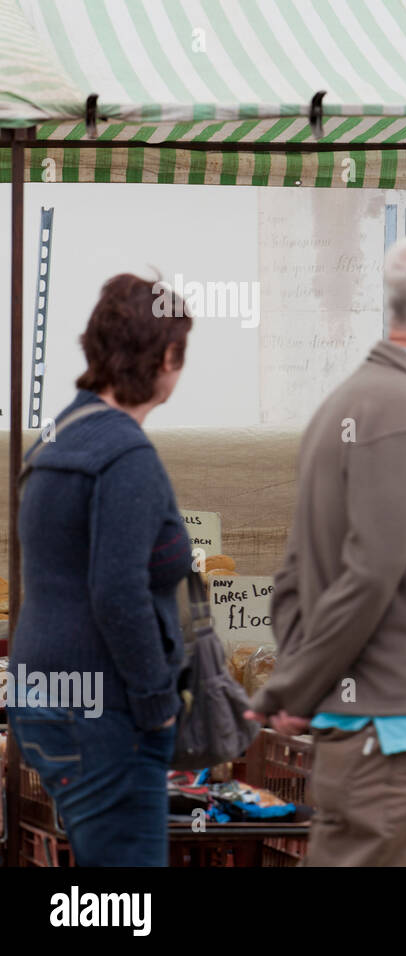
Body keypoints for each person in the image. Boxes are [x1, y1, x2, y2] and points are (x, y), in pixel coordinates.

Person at [247, 226, 406, 867]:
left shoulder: (353, 402)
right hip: (385, 728)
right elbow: (371, 573)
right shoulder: (403, 409)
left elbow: (295, 573)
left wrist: (299, 680)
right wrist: (298, 688)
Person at [9, 274, 193, 866]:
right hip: (104, 710)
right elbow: (118, 593)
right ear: (165, 356)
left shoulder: (57, 438)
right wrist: (158, 702)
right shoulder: (126, 455)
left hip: (44, 699)